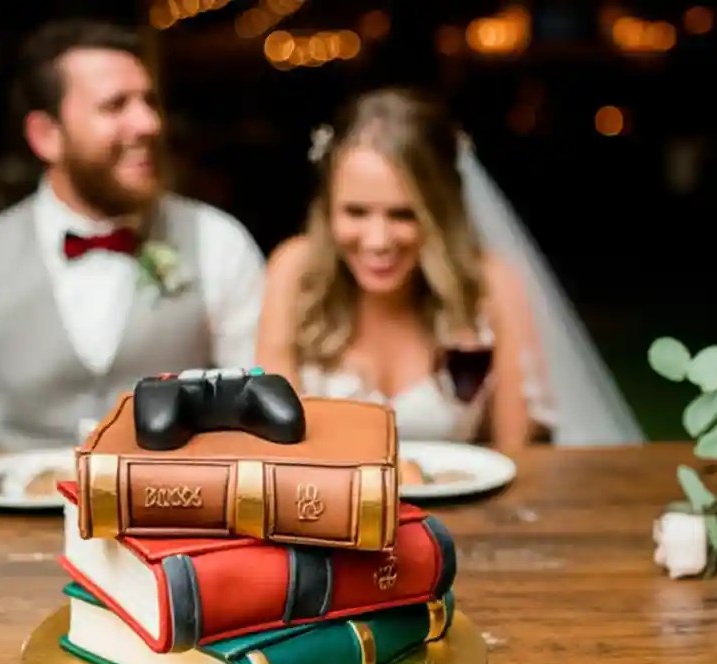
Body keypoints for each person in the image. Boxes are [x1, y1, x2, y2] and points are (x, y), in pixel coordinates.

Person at [0, 19, 266, 452]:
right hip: (8, 511)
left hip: (170, 511)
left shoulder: (220, 243)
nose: (148, 123)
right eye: (116, 106)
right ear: (47, 136)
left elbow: (253, 411)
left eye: (149, 101)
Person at [256, 88, 643, 450]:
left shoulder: (490, 284)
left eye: (404, 215)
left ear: (440, 213)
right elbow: (277, 442)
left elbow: (518, 452)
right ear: (328, 208)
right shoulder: (295, 271)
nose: (377, 241)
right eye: (355, 212)